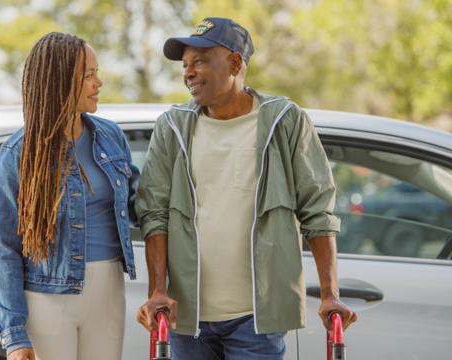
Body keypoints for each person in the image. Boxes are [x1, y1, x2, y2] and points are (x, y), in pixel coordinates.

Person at [135, 17, 357, 359]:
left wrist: (330, 293)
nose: (188, 73)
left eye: (200, 61)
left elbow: (318, 210)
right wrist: (157, 290)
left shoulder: (284, 120)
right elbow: (155, 214)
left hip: (256, 317)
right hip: (186, 316)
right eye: (185, 65)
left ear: (236, 63)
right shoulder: (172, 126)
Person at [0, 32, 139, 360]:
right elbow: (4, 250)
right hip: (48, 297)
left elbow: (141, 204)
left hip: (108, 289)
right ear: (60, 80)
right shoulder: (19, 153)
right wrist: (14, 335)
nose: (99, 82)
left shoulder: (110, 136)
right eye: (89, 75)